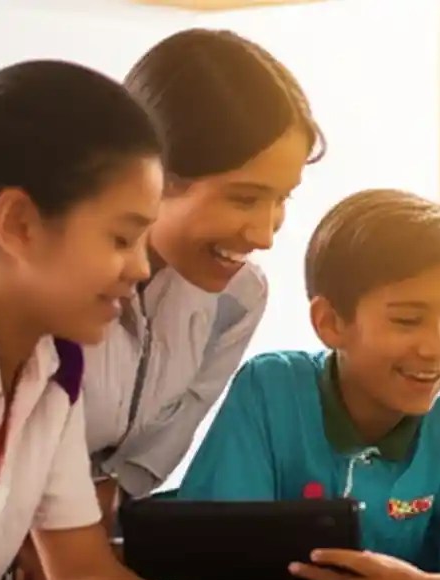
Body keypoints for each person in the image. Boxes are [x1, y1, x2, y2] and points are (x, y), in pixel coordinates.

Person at [0, 59, 270, 580]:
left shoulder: (54, 372)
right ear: (19, 225)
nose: (141, 268)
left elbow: (82, 574)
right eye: (121, 239)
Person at [175, 189, 440, 580]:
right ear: (330, 323)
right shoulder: (270, 391)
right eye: (407, 320)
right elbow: (211, 554)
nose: (437, 348)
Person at [86, 28, 324, 517]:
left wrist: (94, 515)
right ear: (157, 173)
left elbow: (147, 461)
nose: (265, 235)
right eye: (245, 198)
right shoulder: (52, 286)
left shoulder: (238, 297)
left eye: (282, 198)